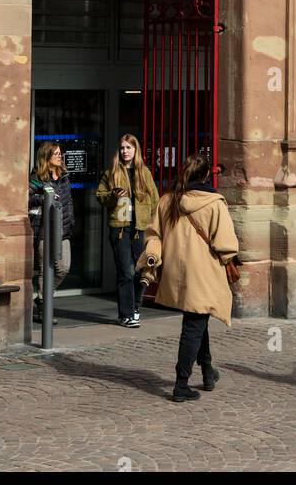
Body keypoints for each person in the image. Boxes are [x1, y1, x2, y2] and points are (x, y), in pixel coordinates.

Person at [137, 150, 239, 403]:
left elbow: (153, 235)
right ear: (205, 175)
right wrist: (229, 262)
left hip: (176, 274)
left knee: (197, 317)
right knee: (193, 326)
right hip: (203, 273)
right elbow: (226, 244)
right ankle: (181, 383)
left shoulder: (167, 201)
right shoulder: (215, 203)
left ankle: (207, 372)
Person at [96, 133, 159, 327]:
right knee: (125, 272)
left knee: (141, 272)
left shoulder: (144, 173)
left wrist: (151, 223)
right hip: (120, 229)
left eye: (129, 148)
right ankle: (126, 314)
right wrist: (113, 197)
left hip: (139, 229)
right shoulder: (111, 172)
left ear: (135, 150)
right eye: (122, 148)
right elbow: (100, 196)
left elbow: (155, 199)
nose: (125, 151)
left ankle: (135, 307)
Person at [28, 140, 75, 325]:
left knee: (63, 268)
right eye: (56, 154)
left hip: (63, 229)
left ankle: (40, 297)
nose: (59, 156)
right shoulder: (37, 176)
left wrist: (71, 221)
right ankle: (44, 310)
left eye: (60, 153)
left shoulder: (64, 175)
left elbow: (68, 201)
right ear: (46, 156)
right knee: (44, 270)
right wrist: (43, 198)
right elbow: (26, 198)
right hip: (44, 228)